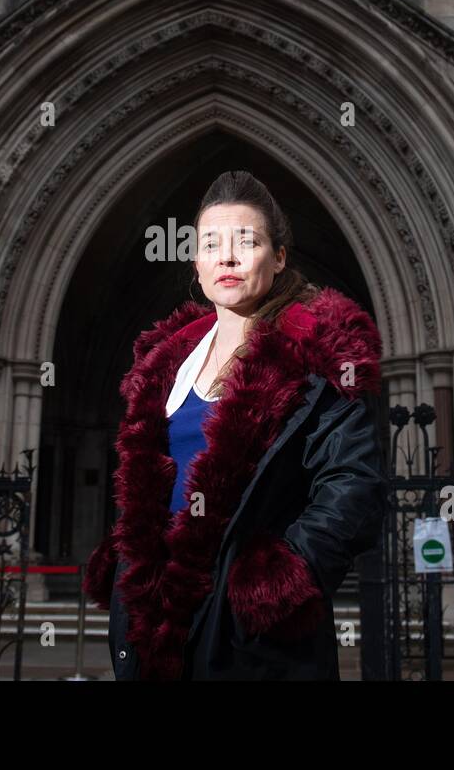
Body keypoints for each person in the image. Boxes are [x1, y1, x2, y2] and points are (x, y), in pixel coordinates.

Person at [82, 170, 385, 679]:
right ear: (196, 263)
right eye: (211, 244)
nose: (227, 256)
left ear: (279, 256)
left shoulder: (319, 356)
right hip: (156, 620)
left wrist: (281, 581)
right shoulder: (165, 365)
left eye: (247, 241)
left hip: (254, 635)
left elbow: (355, 485)